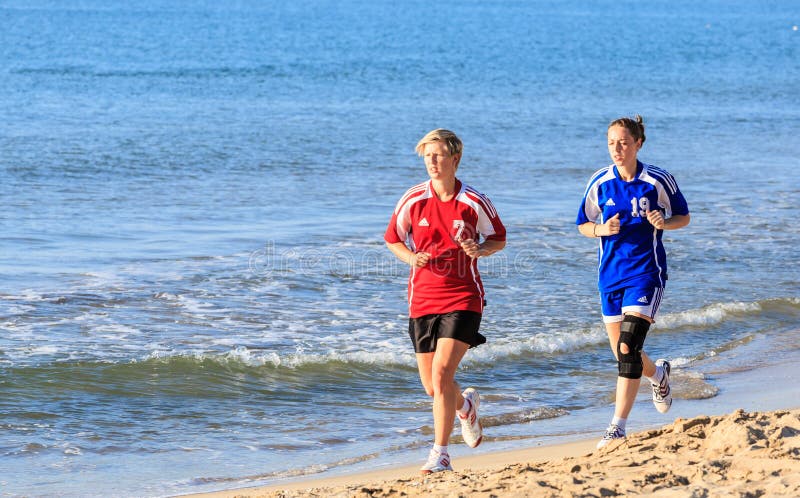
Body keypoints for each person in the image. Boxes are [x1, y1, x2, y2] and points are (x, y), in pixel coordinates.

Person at [384, 129, 506, 474]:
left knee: (441, 375)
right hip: (422, 300)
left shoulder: (473, 202)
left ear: (455, 159)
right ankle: (466, 406)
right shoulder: (413, 199)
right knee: (432, 387)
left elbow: (499, 237)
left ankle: (440, 455)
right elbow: (393, 239)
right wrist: (410, 257)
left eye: (438, 156)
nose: (432, 162)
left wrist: (480, 249)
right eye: (427, 156)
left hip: (463, 297)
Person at [576, 115, 690, 449]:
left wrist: (664, 222)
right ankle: (658, 375)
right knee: (623, 352)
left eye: (623, 142)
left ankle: (617, 427)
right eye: (611, 142)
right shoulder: (600, 181)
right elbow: (583, 223)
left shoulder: (657, 180)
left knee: (628, 347)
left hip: (646, 272)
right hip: (610, 276)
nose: (617, 148)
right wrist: (600, 229)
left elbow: (684, 216)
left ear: (638, 143)